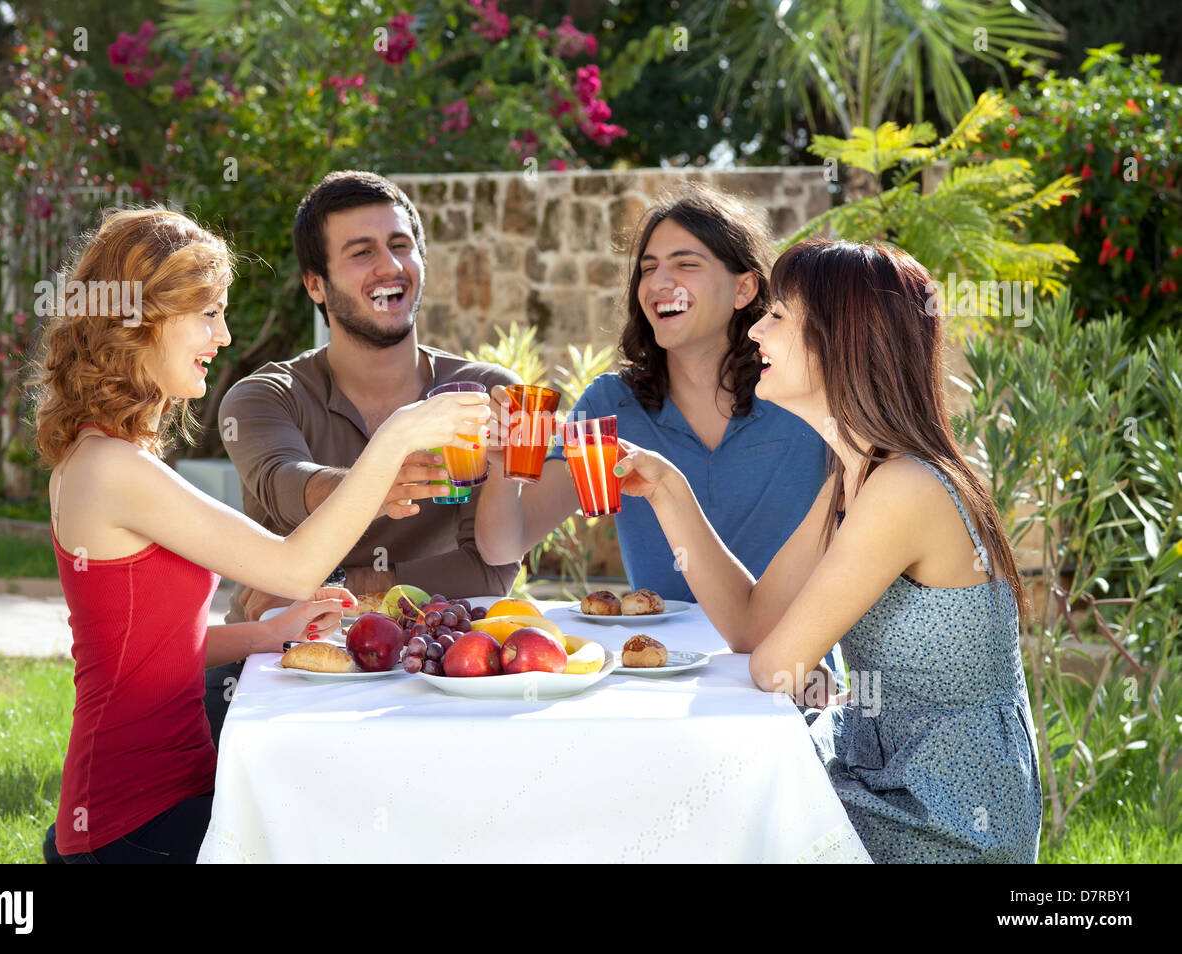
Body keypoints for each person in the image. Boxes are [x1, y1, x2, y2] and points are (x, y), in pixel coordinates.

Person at [29, 207, 489, 863]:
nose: (223, 334)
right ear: (140, 322)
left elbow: (147, 649)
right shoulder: (110, 469)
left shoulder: (111, 458)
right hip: (132, 826)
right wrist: (399, 434)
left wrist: (268, 634)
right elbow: (292, 568)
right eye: (207, 313)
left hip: (157, 802)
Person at [612, 239, 1042, 862]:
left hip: (942, 812)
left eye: (779, 315)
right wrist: (669, 493)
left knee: (696, 816)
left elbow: (773, 666)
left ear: (842, 339)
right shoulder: (855, 477)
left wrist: (806, 672)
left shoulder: (905, 487)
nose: (756, 329)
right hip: (882, 775)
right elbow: (754, 628)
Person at [204, 170, 521, 742]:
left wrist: (331, 584)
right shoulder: (262, 396)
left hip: (434, 667)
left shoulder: (487, 391)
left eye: (400, 246)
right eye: (361, 252)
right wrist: (380, 476)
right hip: (283, 663)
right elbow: (288, 488)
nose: (389, 266)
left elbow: (489, 572)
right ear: (316, 285)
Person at [474, 184, 831, 660]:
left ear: (744, 287)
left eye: (685, 264)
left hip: (792, 669)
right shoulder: (611, 404)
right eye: (648, 268)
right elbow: (505, 546)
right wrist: (502, 465)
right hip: (661, 670)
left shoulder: (801, 397)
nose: (659, 282)